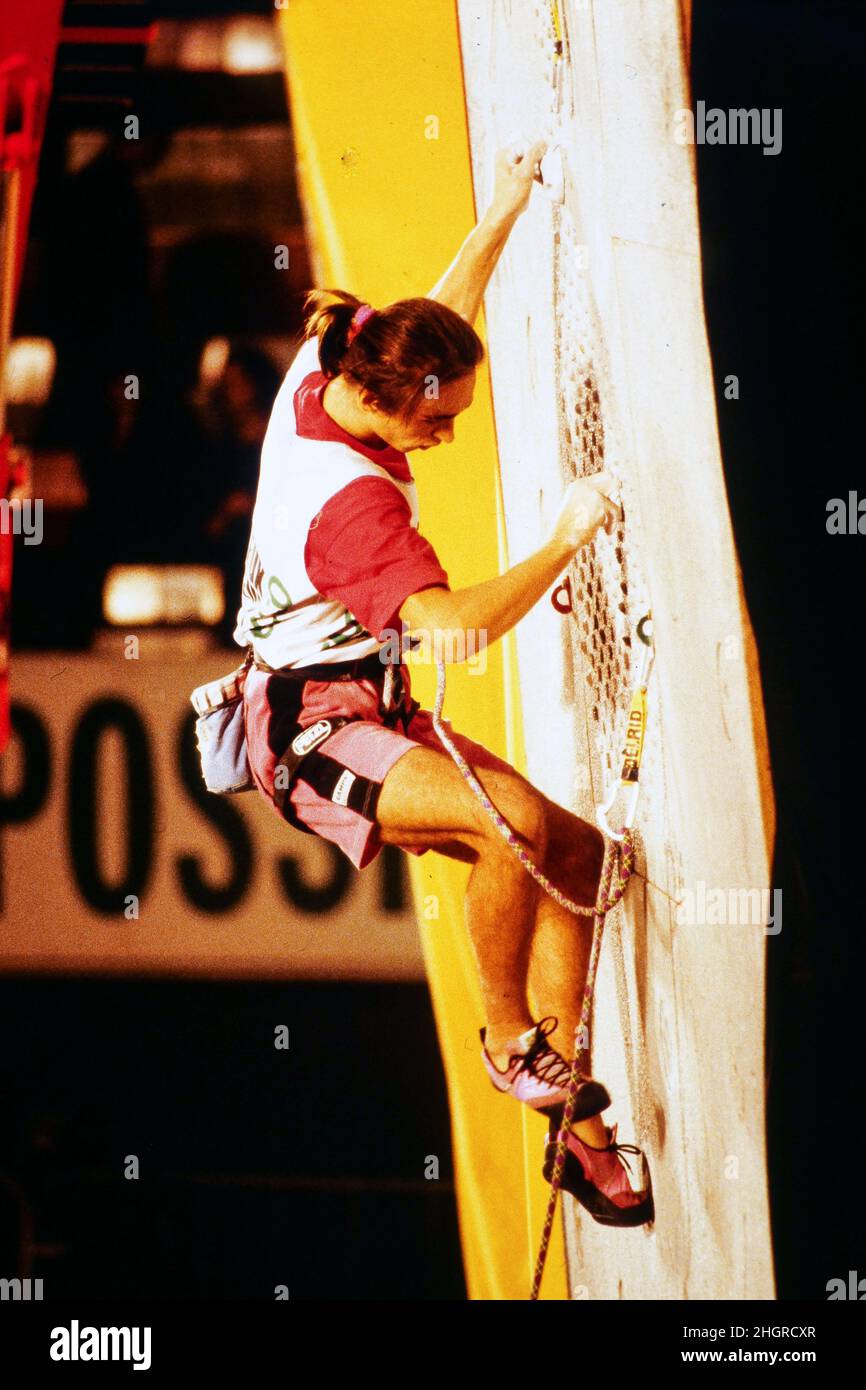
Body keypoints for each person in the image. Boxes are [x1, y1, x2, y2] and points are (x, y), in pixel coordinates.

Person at [234, 142, 651, 1223]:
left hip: (361, 703)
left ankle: (580, 1142)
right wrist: (566, 536)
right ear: (383, 403)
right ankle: (509, 1041)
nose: (447, 433)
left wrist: (503, 207)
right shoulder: (350, 514)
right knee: (505, 826)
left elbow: (442, 308)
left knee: (578, 858)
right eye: (438, 420)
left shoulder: (347, 357)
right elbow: (456, 634)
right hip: (306, 731)